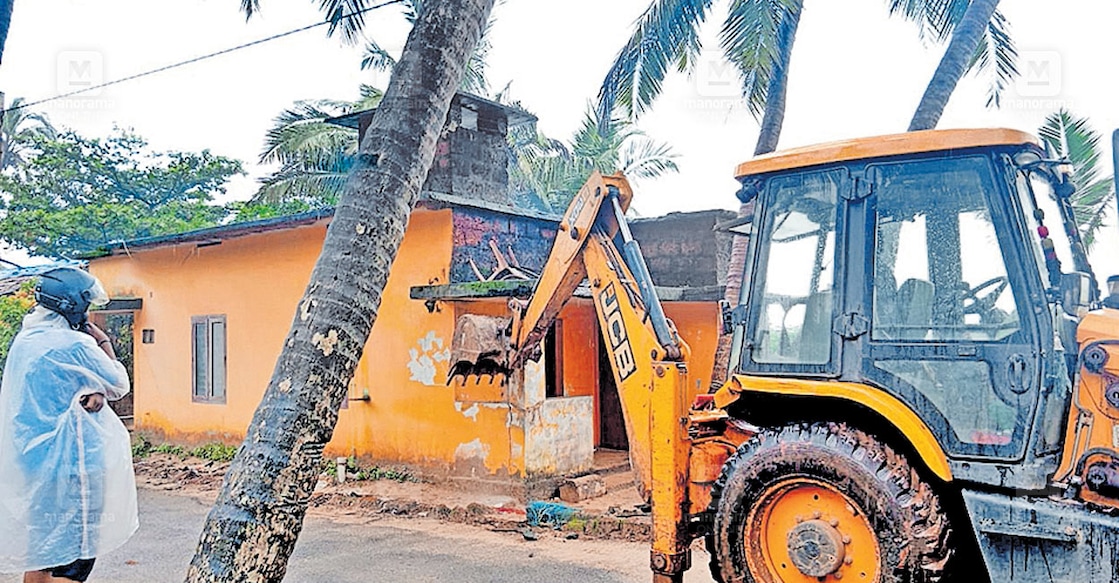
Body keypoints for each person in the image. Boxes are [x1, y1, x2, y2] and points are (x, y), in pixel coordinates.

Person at [0, 267, 138, 582]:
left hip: (32, 464)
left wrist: (93, 392)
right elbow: (118, 384)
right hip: (74, 467)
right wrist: (101, 339)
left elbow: (60, 391)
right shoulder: (75, 345)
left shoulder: (25, 341)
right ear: (73, 307)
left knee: (42, 553)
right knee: (75, 561)